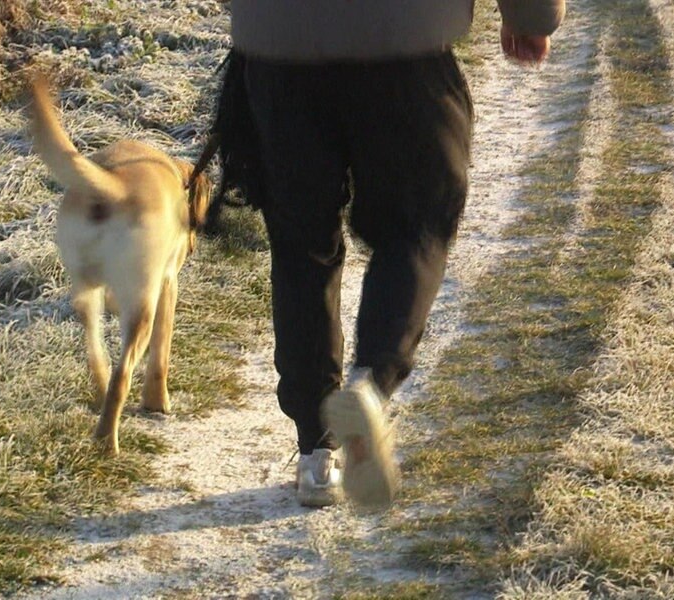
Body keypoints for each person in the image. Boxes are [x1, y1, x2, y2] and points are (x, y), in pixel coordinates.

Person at [210, 0, 564, 509]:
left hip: (276, 52)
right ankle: (369, 384)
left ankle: (318, 452)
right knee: (418, 222)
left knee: (301, 243)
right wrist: (530, 17)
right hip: (404, 45)